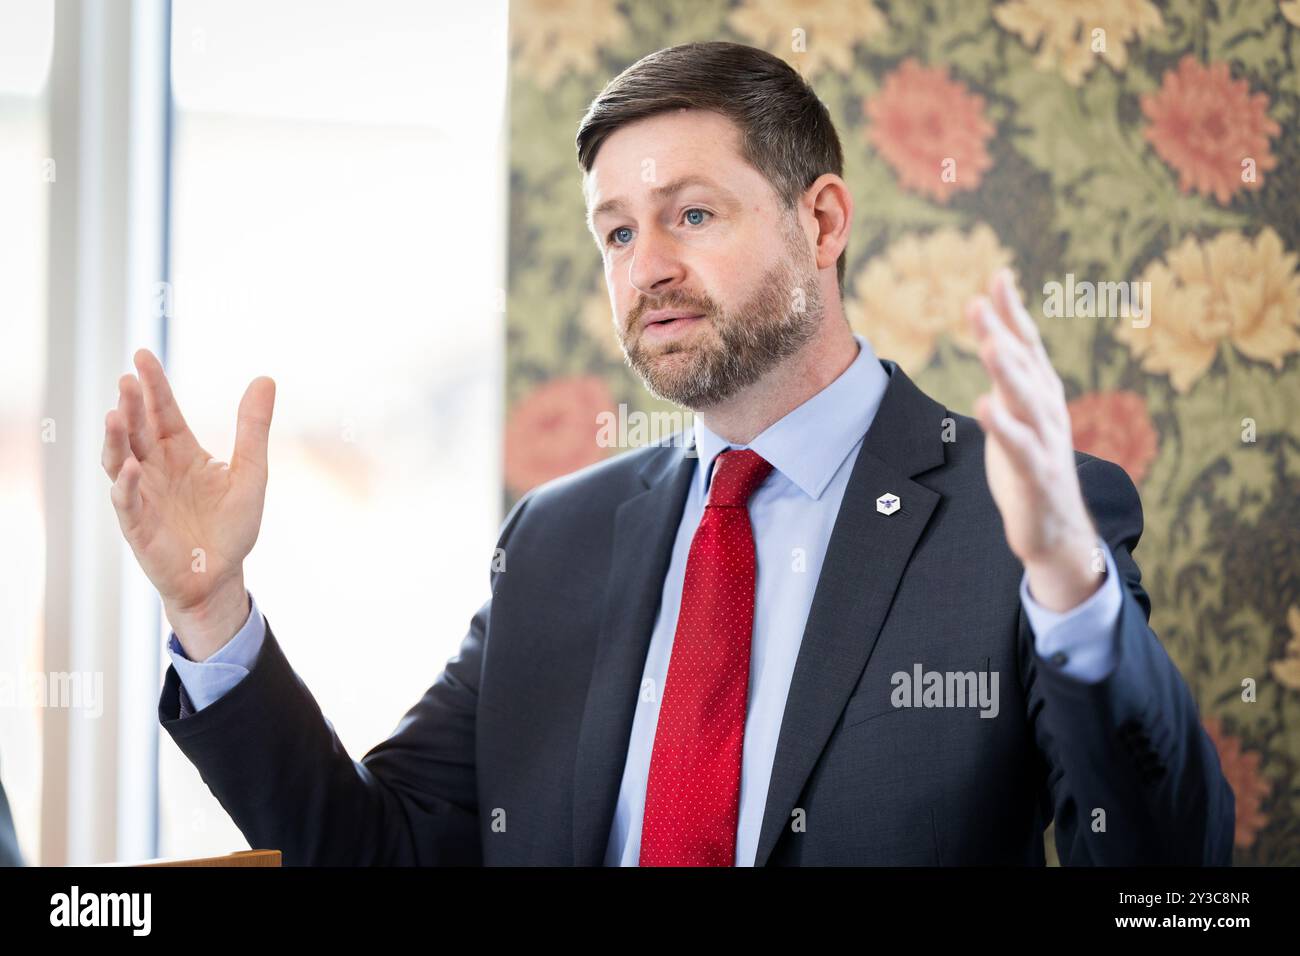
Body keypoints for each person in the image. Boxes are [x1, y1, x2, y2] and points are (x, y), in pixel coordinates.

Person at [102, 41, 1233, 865]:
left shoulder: (1025, 519)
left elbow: (1164, 870)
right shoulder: (555, 538)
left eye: (691, 214)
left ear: (822, 222)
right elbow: (379, 850)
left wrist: (1070, 590)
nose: (644, 266)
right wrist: (212, 609)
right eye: (616, 230)